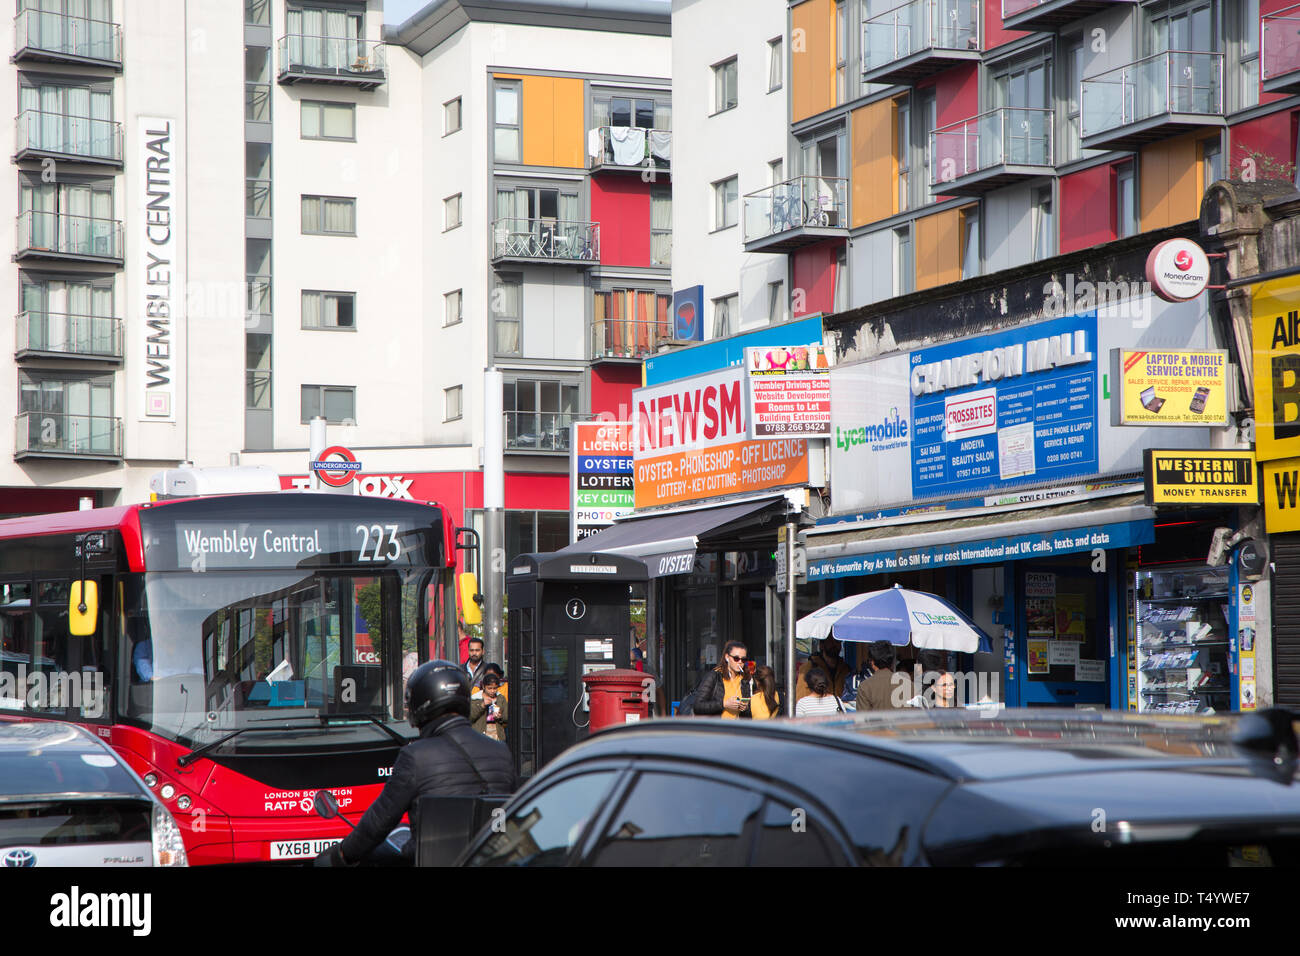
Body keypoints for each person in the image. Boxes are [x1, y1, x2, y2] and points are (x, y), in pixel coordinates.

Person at [314, 660, 515, 866]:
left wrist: (340, 855)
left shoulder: (416, 756)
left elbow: (378, 822)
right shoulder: (501, 751)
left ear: (420, 706)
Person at [692, 641, 751, 718]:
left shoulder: (744, 680)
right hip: (718, 728)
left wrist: (745, 708)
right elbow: (698, 706)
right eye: (736, 658)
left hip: (737, 728)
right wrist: (724, 704)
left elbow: (749, 711)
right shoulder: (714, 676)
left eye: (743, 659)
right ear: (727, 657)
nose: (740, 662)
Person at [856, 640, 912, 711]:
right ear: (892, 662)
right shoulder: (909, 685)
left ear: (872, 663)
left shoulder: (865, 687)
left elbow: (862, 719)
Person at [795, 635, 852, 705]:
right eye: (830, 642)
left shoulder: (846, 669)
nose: (834, 645)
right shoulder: (809, 667)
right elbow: (800, 697)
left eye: (837, 642)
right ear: (821, 645)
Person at [470, 671, 508, 740]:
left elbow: (507, 717)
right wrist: (482, 705)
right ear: (484, 687)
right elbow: (470, 716)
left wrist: (500, 716)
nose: (492, 691)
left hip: (497, 736)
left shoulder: (500, 698)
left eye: (495, 688)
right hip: (480, 736)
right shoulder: (475, 698)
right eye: (489, 688)